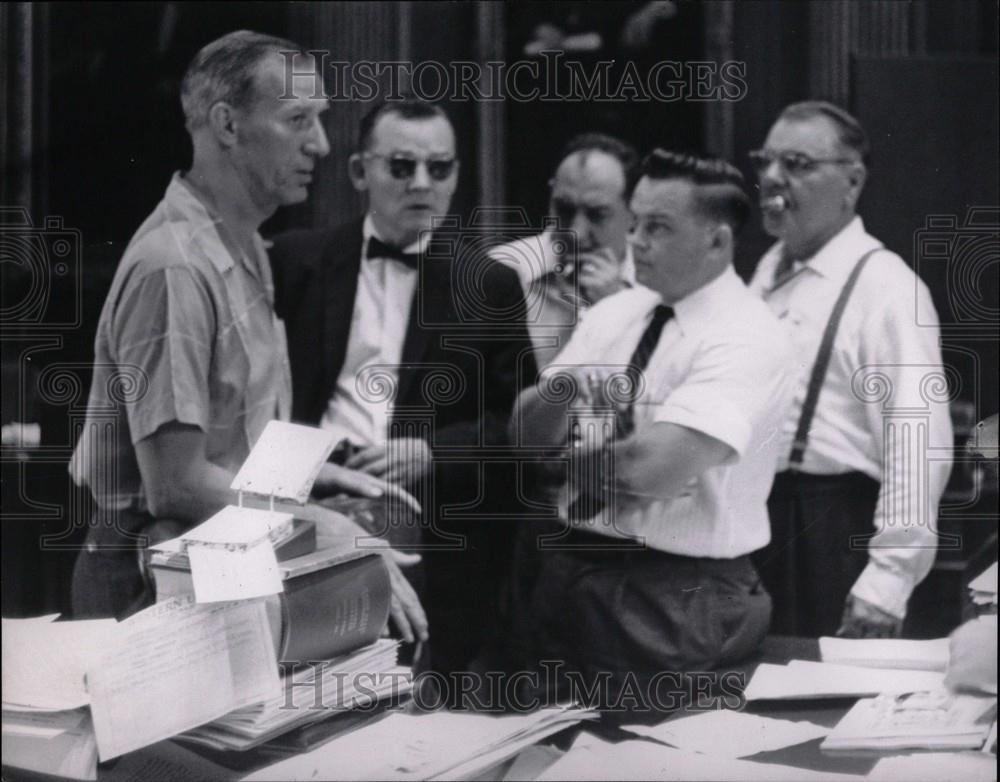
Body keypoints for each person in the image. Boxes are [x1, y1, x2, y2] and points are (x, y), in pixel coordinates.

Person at [69, 31, 427, 646]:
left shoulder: (247, 247)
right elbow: (175, 484)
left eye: (319, 119)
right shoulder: (174, 266)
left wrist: (316, 474)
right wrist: (329, 530)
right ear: (227, 125)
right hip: (145, 584)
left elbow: (237, 435)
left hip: (217, 564)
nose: (320, 143)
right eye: (297, 120)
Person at [506, 150, 794, 700]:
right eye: (635, 222)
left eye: (658, 228)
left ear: (718, 240)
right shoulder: (617, 313)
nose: (636, 241)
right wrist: (561, 398)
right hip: (566, 570)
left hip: (675, 596)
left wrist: (562, 466)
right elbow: (523, 436)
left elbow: (653, 471)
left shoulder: (750, 334)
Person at [269, 98, 535, 674]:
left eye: (439, 169)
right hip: (307, 504)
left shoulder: (488, 283)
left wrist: (434, 451)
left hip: (430, 528)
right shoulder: (296, 261)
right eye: (401, 166)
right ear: (360, 172)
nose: (422, 184)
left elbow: (518, 428)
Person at [748, 101, 954, 638]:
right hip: (754, 527)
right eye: (766, 161)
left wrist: (888, 579)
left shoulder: (886, 287)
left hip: (830, 536)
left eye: (796, 163)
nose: (772, 178)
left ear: (852, 182)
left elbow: (915, 439)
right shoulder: (765, 273)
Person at [490, 133, 640, 368]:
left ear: (633, 211)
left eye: (597, 214)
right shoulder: (501, 271)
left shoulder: (661, 282)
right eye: (565, 210)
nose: (576, 233)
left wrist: (620, 309)